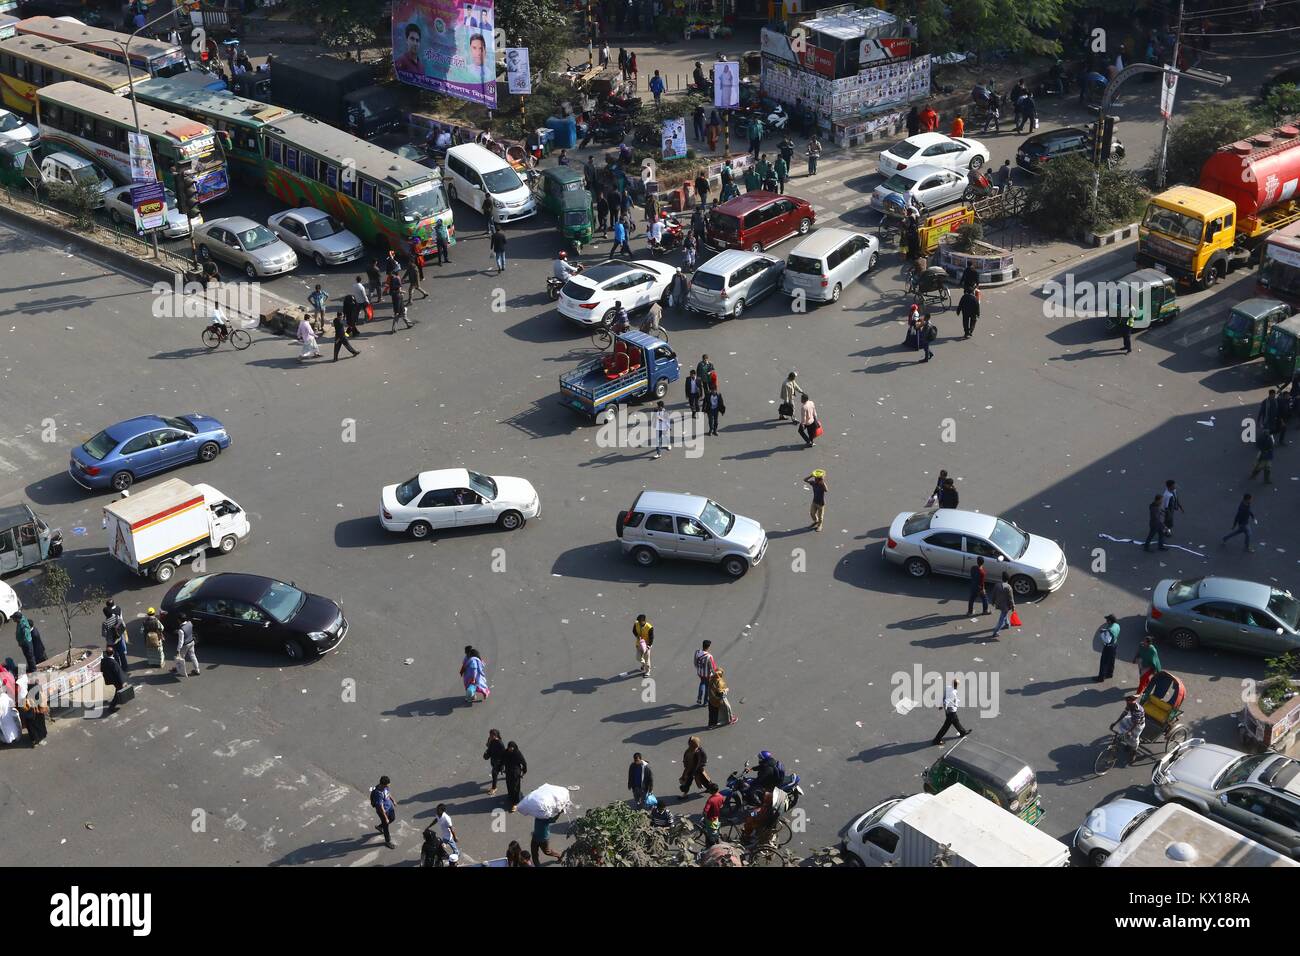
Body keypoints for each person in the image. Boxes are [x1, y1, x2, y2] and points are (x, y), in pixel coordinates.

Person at [932, 677, 972, 745]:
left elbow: (944, 697)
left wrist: (942, 706)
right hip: (951, 711)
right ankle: (937, 739)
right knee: (946, 726)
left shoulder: (948, 688)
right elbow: (947, 701)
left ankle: (962, 732)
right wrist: (945, 707)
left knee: (956, 721)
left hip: (949, 711)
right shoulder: (953, 693)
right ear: (956, 685)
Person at [1113, 695, 1146, 761]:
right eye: (1127, 702)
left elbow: (1136, 723)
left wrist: (1130, 731)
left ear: (1132, 702)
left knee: (1134, 739)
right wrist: (1115, 722)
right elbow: (1124, 713)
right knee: (1122, 721)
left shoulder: (1138, 710)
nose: (1127, 704)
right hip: (1132, 720)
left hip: (1138, 725)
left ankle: (1134, 752)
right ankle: (1126, 740)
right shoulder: (1129, 705)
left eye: (1128, 702)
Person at [100, 640, 128, 711]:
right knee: (118, 691)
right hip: (116, 680)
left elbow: (102, 669)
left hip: (110, 679)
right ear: (113, 653)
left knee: (117, 690)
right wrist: (123, 682)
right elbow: (119, 673)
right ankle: (112, 706)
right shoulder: (114, 663)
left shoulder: (103, 661)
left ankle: (116, 701)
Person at [370, 776, 397, 849]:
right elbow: (381, 807)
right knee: (386, 826)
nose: (388, 786)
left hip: (390, 807)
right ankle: (388, 841)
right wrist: (385, 818)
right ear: (383, 784)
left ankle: (379, 827)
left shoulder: (385, 787)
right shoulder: (378, 793)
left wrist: (393, 800)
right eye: (387, 785)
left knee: (393, 818)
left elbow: (388, 793)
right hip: (383, 812)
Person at [990, 572, 1016, 638]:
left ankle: (1007, 624)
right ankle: (995, 632)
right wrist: (1013, 607)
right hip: (1006, 606)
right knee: (1001, 620)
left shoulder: (997, 585)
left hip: (998, 604)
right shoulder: (1009, 587)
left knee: (1004, 614)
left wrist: (992, 602)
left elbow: (993, 594)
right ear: (1008, 579)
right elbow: (1011, 598)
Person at [504, 740, 527, 811]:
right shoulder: (506, 752)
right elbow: (503, 760)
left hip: (515, 772)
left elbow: (523, 763)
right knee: (509, 784)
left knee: (515, 787)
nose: (511, 749)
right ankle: (510, 796)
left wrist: (523, 771)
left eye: (512, 747)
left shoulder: (517, 753)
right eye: (509, 747)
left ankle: (515, 803)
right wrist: (501, 767)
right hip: (508, 771)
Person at [1097, 613, 1120, 682]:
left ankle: (1101, 677)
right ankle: (1110, 673)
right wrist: (1105, 630)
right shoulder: (1117, 625)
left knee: (1104, 662)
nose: (1106, 621)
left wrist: (1102, 634)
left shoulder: (1110, 630)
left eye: (1107, 620)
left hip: (1108, 647)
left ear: (1110, 621)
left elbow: (1107, 640)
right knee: (1111, 661)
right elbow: (1113, 632)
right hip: (1114, 645)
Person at [483, 729, 507, 795]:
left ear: (496, 735)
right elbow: (488, 746)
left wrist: (502, 764)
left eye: (492, 735)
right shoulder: (490, 739)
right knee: (500, 770)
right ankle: (507, 773)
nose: (490, 736)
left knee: (494, 774)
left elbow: (504, 754)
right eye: (490, 735)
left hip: (498, 761)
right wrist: (489, 742)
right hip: (493, 760)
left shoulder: (500, 743)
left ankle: (494, 788)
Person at [693, 640, 716, 706]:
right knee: (707, 687)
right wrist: (715, 674)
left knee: (702, 683)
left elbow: (695, 661)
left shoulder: (697, 652)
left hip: (700, 672)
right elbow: (712, 667)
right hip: (707, 674)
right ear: (708, 647)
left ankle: (699, 698)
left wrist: (698, 668)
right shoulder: (709, 656)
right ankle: (705, 701)